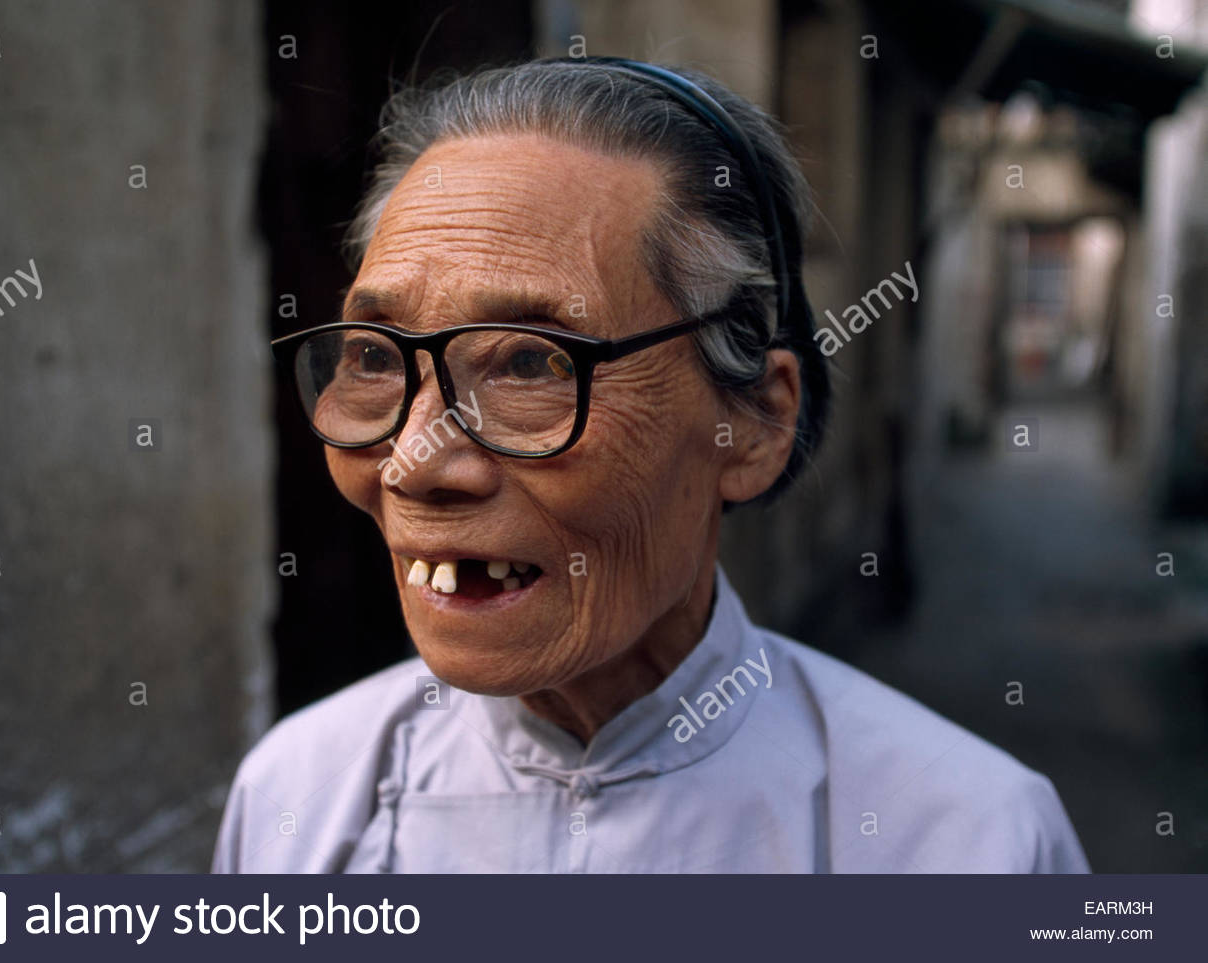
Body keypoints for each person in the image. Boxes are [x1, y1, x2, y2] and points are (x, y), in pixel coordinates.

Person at [212, 58, 1088, 873]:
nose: (414, 460)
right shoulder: (296, 800)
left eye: (530, 361)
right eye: (374, 358)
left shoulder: (970, 845)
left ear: (752, 419)